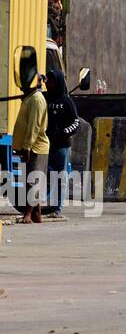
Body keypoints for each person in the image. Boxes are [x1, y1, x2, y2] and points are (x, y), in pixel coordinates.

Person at [13, 65, 49, 224]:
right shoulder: (30, 98)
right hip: (31, 146)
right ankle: (37, 215)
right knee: (34, 181)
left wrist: (27, 147)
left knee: (33, 182)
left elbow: (33, 126)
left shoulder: (36, 99)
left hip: (36, 147)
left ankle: (28, 214)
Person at [43, 70, 80, 218]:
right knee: (44, 176)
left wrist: (64, 133)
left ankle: (57, 208)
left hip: (61, 147)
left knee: (60, 177)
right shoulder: (43, 98)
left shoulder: (66, 101)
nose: (50, 84)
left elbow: (75, 122)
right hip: (45, 145)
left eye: (52, 81)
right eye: (48, 81)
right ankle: (43, 206)